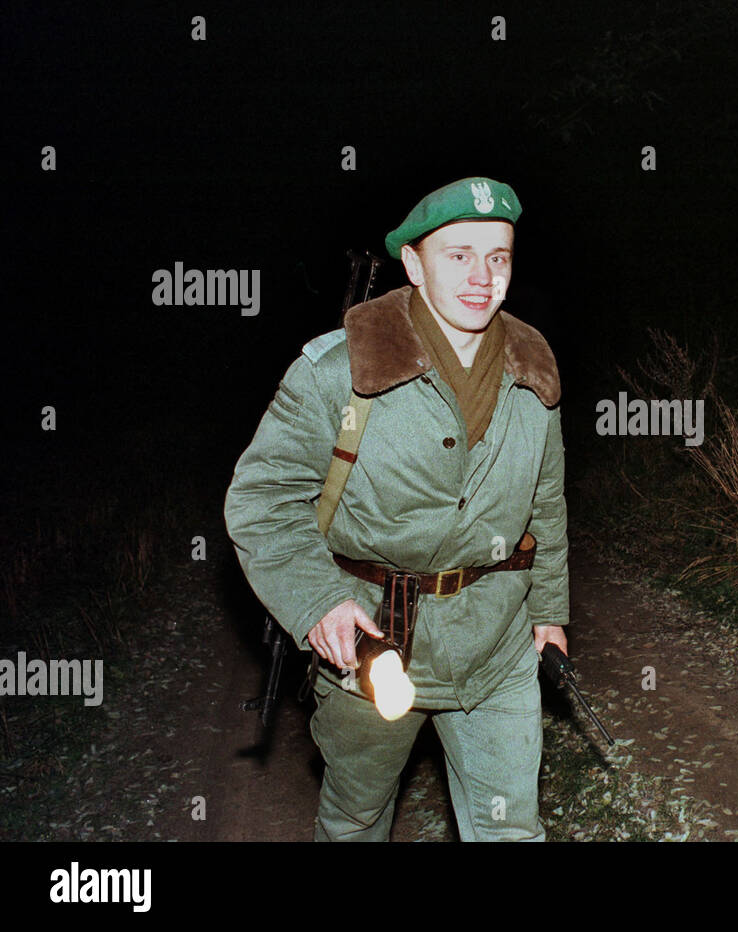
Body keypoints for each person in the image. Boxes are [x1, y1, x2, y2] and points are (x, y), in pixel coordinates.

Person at [225, 176, 569, 841]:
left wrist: (550, 612)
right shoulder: (338, 371)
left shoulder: (534, 368)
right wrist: (316, 602)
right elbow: (262, 498)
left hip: (494, 645)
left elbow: (546, 506)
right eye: (458, 255)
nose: (482, 275)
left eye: (498, 256)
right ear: (413, 264)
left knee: (511, 831)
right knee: (356, 821)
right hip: (373, 648)